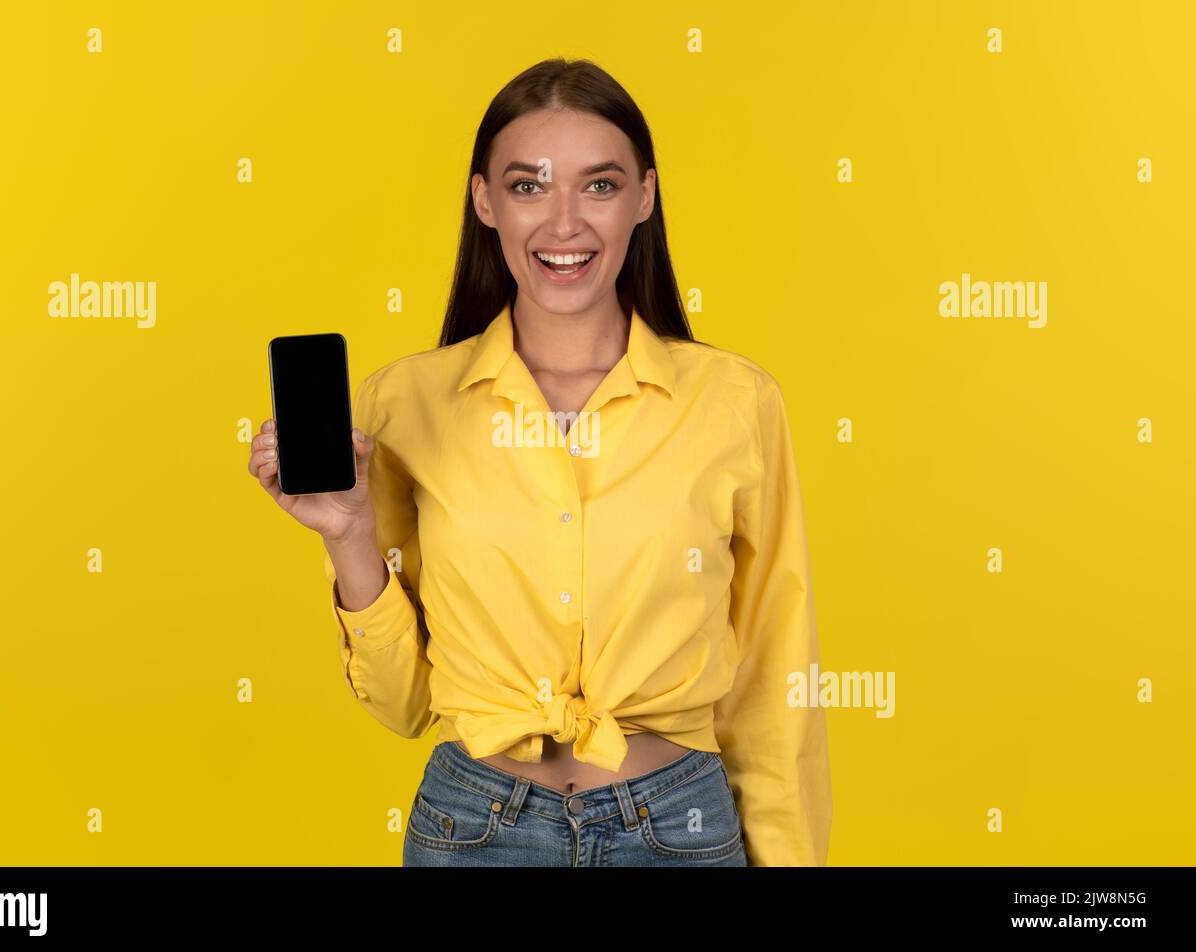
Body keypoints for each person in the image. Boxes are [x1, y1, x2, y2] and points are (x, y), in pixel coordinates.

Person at [249, 57, 832, 867]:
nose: (564, 224)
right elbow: (404, 706)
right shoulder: (404, 407)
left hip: (679, 830)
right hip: (472, 829)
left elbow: (774, 671)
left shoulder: (734, 403)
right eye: (528, 186)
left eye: (598, 186)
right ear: (485, 199)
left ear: (644, 197)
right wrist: (347, 536)